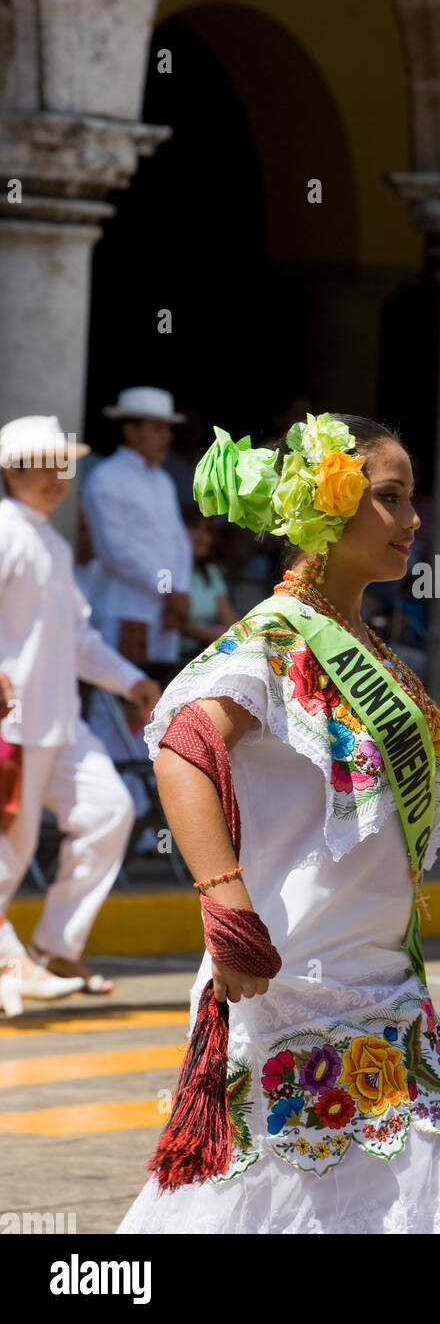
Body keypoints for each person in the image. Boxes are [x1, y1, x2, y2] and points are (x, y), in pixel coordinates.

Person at [118, 411, 440, 1235]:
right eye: (388, 497)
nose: (413, 521)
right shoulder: (276, 639)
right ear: (326, 506)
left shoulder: (359, 641)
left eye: (411, 498)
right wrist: (226, 904)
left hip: (381, 987)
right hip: (294, 985)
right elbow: (186, 742)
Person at [0, 416, 160, 1013]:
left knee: (109, 810)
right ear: (13, 469)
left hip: (58, 721)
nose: (56, 478)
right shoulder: (5, 530)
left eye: (62, 466)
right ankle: (15, 963)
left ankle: (49, 950)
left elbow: (80, 639)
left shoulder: (54, 544)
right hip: (12, 723)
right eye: (43, 465)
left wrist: (132, 680)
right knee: (9, 855)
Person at [82, 387, 193, 672]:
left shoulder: (163, 481)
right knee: (120, 701)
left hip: (164, 615)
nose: (166, 437)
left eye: (167, 428)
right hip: (125, 608)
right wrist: (171, 591)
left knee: (157, 701)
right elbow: (115, 550)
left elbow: (179, 541)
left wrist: (179, 591)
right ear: (130, 430)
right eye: (158, 428)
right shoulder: (106, 478)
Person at [178, 507, 238, 660]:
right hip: (167, 657)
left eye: (207, 530)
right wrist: (212, 635)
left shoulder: (211, 572)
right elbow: (169, 619)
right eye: (193, 528)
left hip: (199, 656)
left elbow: (230, 620)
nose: (202, 537)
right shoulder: (163, 572)